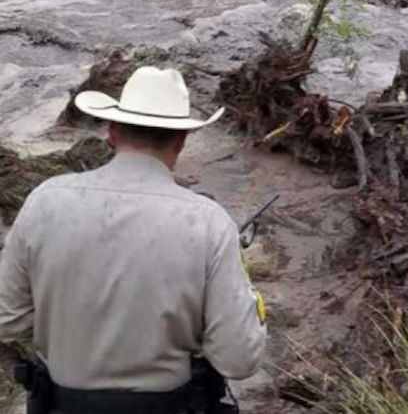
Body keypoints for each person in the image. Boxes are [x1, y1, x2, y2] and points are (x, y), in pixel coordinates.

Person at [0, 66, 266, 413]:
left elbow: (7, 320)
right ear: (182, 139)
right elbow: (239, 359)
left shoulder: (43, 201)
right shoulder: (210, 223)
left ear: (111, 131)